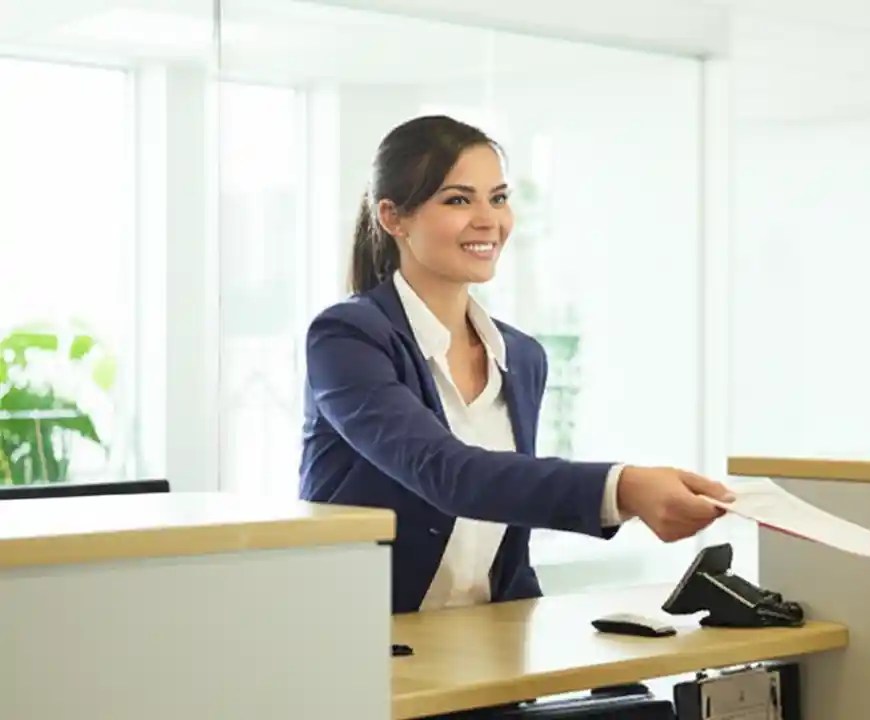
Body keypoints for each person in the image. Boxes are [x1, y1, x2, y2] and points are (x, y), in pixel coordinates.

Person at [300, 115, 731, 615]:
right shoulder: (347, 338)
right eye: (459, 200)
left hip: (482, 646)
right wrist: (623, 487)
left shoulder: (522, 356)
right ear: (394, 218)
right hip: (356, 643)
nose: (488, 219)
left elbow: (504, 544)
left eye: (498, 198)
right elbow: (448, 474)